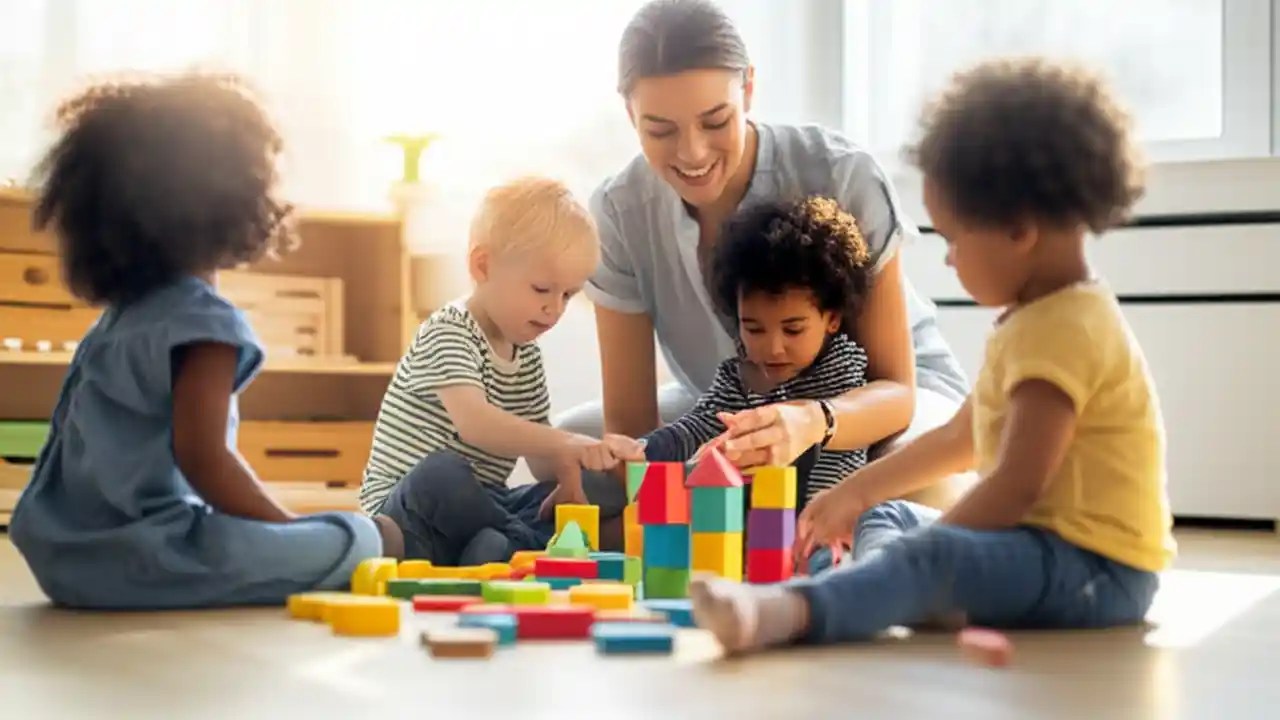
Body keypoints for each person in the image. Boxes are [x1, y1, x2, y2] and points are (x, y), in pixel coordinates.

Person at [688, 57, 1175, 654]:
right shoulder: (1035, 321)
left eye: (952, 239)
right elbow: (962, 439)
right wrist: (857, 492)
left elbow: (1018, 485)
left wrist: (932, 553)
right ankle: (882, 589)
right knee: (885, 518)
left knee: (931, 551)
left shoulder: (1067, 329)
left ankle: (791, 612)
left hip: (1099, 574)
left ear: (1019, 231)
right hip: (1043, 550)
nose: (948, 261)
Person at [558, 0, 971, 511]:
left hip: (874, 402)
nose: (692, 153)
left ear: (748, 89)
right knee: (574, 451)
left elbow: (895, 389)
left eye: (716, 121)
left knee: (901, 484)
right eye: (660, 130)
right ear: (630, 115)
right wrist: (671, 499)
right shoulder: (620, 210)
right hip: (739, 400)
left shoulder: (842, 173)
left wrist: (808, 421)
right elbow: (631, 424)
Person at [9, 72, 402, 609]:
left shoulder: (120, 319)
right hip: (149, 557)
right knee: (363, 537)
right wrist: (283, 530)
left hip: (62, 559)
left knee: (334, 531)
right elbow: (206, 460)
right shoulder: (204, 325)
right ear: (233, 200)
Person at [360, 177, 640, 565]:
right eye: (542, 289)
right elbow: (477, 425)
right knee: (442, 472)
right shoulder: (449, 330)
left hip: (479, 510)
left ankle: (498, 546)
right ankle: (518, 542)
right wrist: (566, 442)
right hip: (409, 511)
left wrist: (575, 472)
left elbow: (539, 459)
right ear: (483, 266)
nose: (555, 309)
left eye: (568, 295)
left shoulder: (526, 356)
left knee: (546, 497)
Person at [643, 195, 871, 514]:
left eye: (793, 330)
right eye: (754, 329)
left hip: (821, 521)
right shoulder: (738, 376)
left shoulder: (840, 368)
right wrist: (644, 449)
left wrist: (812, 524)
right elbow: (696, 428)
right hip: (751, 527)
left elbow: (839, 464)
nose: (773, 348)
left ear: (832, 319)